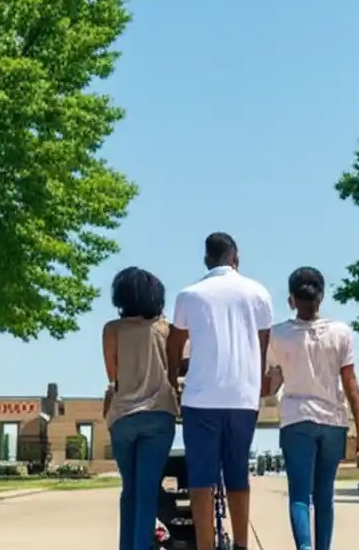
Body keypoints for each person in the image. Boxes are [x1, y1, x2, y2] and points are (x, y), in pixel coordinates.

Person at [168, 232, 273, 550]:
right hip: (242, 397)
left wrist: (173, 383)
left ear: (206, 260)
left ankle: (205, 545)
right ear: (235, 258)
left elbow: (174, 344)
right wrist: (256, 382)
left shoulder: (189, 295)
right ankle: (241, 544)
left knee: (202, 478)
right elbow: (263, 342)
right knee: (238, 474)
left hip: (201, 398)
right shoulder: (258, 293)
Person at [266, 266, 359, 550]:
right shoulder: (340, 333)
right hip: (332, 423)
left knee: (300, 496)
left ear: (291, 300)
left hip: (296, 421)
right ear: (322, 296)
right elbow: (351, 386)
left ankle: (304, 547)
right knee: (324, 496)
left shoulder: (277, 335)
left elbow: (271, 386)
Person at [102, 267, 179, 550]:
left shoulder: (112, 329)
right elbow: (175, 370)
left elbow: (113, 375)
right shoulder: (164, 329)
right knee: (147, 492)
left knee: (130, 492)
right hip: (158, 415)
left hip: (122, 417)